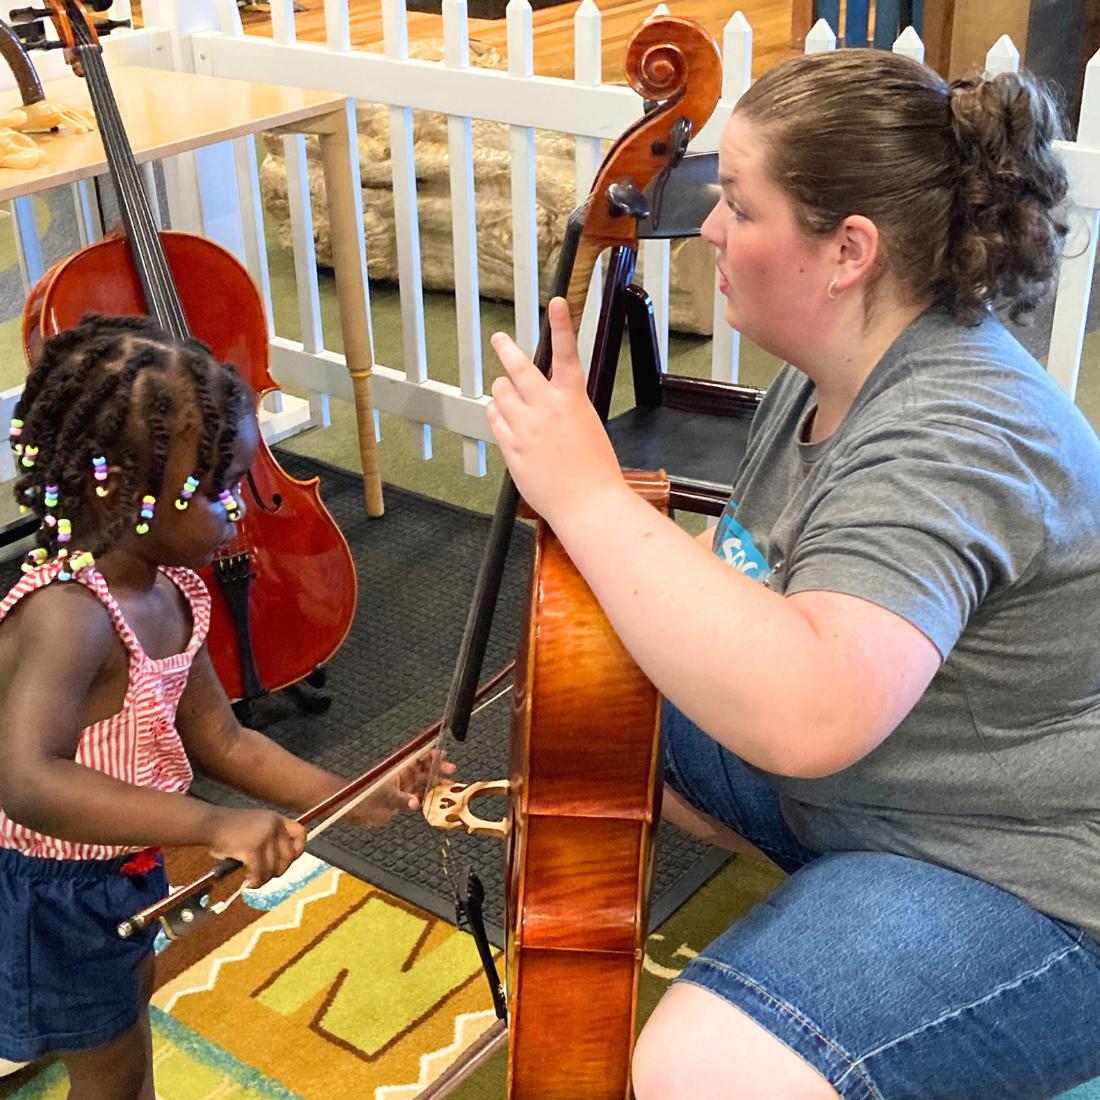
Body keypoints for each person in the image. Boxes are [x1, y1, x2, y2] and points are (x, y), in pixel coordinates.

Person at [486, 48, 1100, 1100]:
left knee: (697, 1068)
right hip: (893, 778)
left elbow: (810, 718)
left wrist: (588, 497)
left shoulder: (952, 431)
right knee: (593, 693)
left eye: (737, 203)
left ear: (847, 250)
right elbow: (741, 579)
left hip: (1029, 871)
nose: (709, 229)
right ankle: (840, 906)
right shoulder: (835, 369)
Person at [0, 314, 451, 1100]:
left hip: (119, 867)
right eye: (213, 489)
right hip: (49, 893)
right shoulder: (71, 614)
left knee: (125, 1035)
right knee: (111, 1075)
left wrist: (353, 793)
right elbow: (28, 782)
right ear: (117, 486)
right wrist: (212, 824)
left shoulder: (172, 590)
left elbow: (226, 742)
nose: (237, 508)